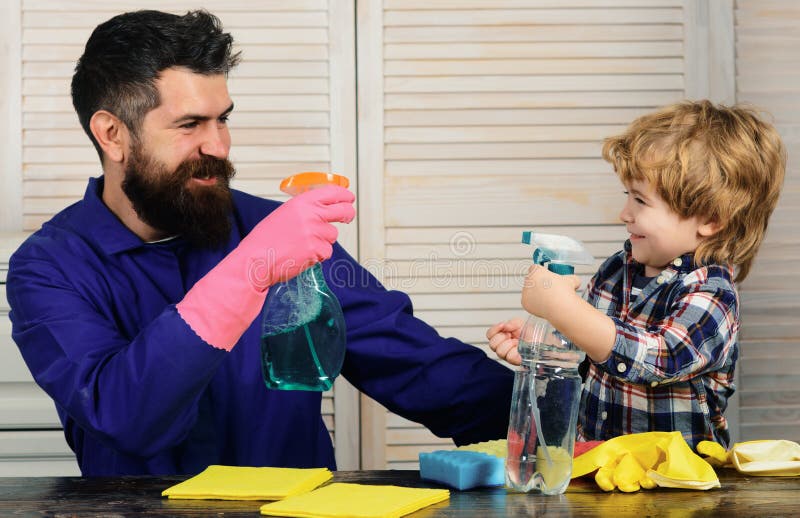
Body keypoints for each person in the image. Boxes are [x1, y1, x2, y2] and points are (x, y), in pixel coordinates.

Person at [6, 9, 514, 476]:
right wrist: (252, 269)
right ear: (112, 134)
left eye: (222, 118)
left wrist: (563, 412)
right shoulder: (49, 268)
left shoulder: (275, 230)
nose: (219, 145)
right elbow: (126, 418)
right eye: (190, 125)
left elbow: (419, 366)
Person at [488, 100, 786, 449]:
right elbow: (596, 358)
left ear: (709, 219)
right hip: (599, 467)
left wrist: (562, 308)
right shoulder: (616, 270)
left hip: (674, 484)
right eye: (626, 196)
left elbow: (661, 359)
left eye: (640, 201)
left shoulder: (712, 292)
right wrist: (548, 348)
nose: (624, 214)